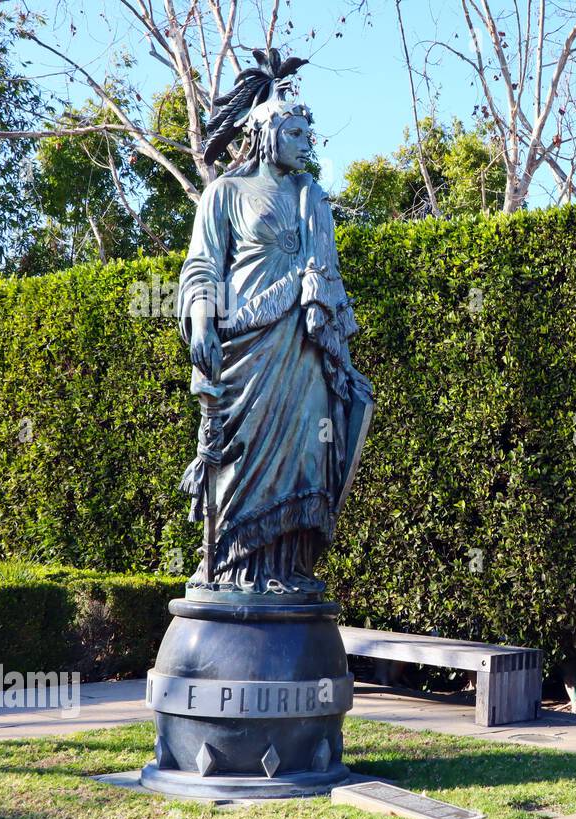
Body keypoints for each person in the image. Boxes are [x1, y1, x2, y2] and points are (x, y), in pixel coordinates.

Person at [178, 50, 373, 596]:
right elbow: (201, 265)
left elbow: (326, 282)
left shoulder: (313, 197)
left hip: (303, 349)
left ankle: (287, 571)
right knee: (238, 461)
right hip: (247, 347)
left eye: (309, 135)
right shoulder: (225, 194)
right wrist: (200, 321)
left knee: (305, 453)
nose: (307, 144)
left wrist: (339, 352)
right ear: (268, 136)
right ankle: (230, 569)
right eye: (296, 134)